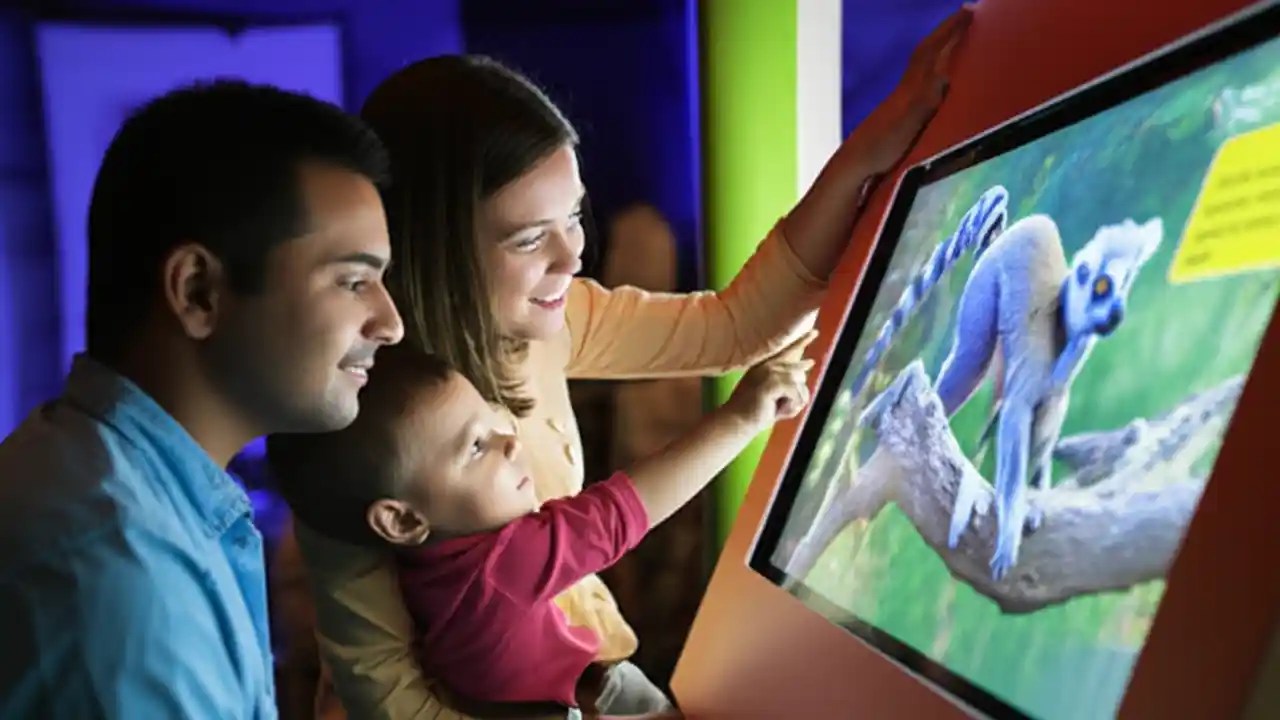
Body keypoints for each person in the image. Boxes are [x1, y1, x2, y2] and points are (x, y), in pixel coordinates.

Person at [281, 8, 974, 719]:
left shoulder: (554, 321)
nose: (572, 255)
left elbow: (736, 327)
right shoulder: (357, 417)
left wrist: (867, 154)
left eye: (574, 217)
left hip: (588, 683)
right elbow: (383, 684)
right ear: (440, 249)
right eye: (529, 239)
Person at [0, 79, 404, 718]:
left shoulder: (115, 485)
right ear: (197, 292)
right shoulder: (121, 571)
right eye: (353, 281)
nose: (390, 324)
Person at [268, 332, 814, 719]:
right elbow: (623, 511)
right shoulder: (501, 567)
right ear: (403, 518)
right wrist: (744, 416)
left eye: (492, 421)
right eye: (475, 447)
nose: (510, 442)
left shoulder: (422, 570)